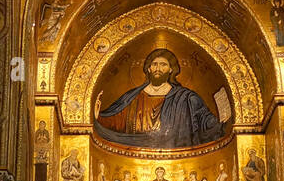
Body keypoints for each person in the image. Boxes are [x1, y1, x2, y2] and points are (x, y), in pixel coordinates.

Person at [94, 49, 225, 149]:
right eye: (154, 64)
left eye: (163, 65)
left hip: (179, 154)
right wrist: (98, 116)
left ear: (170, 70)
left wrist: (221, 122)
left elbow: (205, 120)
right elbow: (115, 121)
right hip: (134, 148)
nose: (158, 68)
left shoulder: (186, 97)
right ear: (149, 69)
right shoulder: (133, 96)